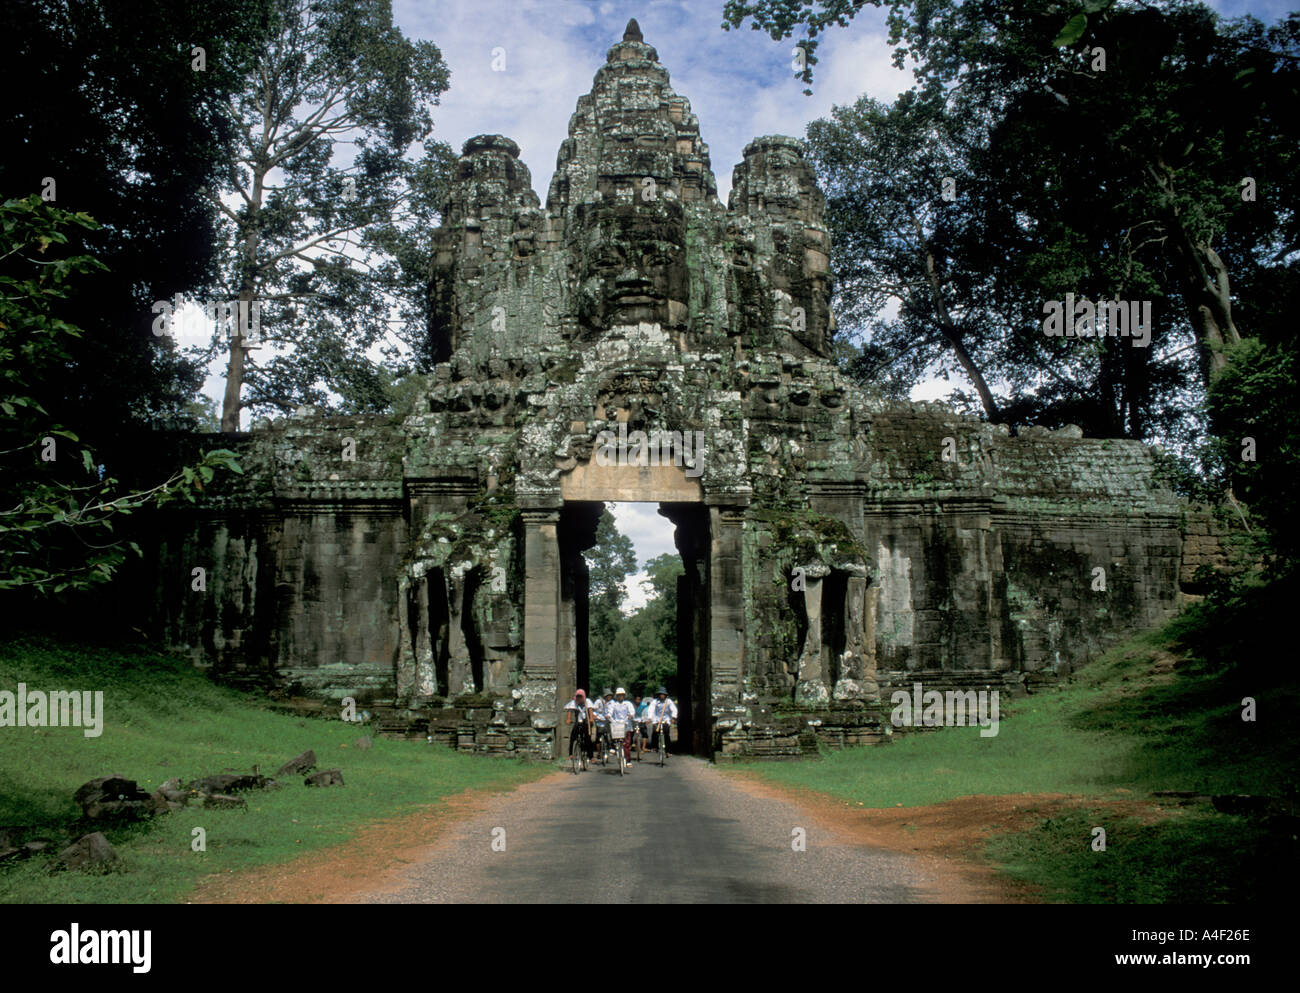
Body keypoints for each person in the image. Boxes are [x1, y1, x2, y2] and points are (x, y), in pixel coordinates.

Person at [606, 687, 637, 765]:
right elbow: (610, 711)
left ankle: (628, 761)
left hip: (626, 724)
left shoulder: (628, 703)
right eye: (618, 695)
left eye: (622, 695)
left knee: (626, 744)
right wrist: (608, 715)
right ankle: (613, 747)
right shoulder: (613, 704)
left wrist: (631, 715)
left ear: (624, 696)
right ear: (616, 696)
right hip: (616, 724)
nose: (620, 697)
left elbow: (632, 711)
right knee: (615, 738)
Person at [564, 689, 593, 763]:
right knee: (572, 737)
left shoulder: (587, 702)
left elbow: (590, 710)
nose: (579, 699)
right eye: (578, 697)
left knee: (588, 739)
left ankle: (591, 756)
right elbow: (570, 710)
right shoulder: (574, 703)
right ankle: (570, 754)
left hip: (586, 722)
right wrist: (568, 719)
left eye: (580, 697)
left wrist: (591, 718)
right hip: (578, 722)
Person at [647, 686, 677, 756]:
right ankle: (655, 747)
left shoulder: (669, 701)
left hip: (666, 720)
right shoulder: (655, 701)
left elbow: (674, 709)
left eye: (663, 694)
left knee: (666, 734)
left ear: (665, 695)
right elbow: (651, 709)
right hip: (657, 719)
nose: (661, 695)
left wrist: (673, 717)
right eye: (660, 694)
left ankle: (668, 751)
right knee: (654, 732)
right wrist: (650, 718)